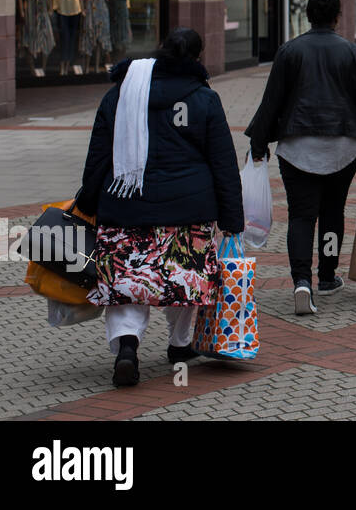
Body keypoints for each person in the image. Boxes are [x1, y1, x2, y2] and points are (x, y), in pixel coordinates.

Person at [75, 27, 244, 388]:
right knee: (183, 279)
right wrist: (232, 218)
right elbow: (223, 163)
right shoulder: (204, 99)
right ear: (196, 59)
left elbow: (99, 154)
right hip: (188, 211)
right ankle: (180, 346)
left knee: (127, 282)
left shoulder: (121, 94)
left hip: (125, 208)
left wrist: (88, 199)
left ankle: (127, 347)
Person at [246, 0, 356, 316]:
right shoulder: (353, 53)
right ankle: (327, 276)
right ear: (337, 17)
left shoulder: (289, 51)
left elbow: (272, 102)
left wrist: (258, 145)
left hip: (297, 147)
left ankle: (302, 282)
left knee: (301, 215)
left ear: (309, 15)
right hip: (343, 146)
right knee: (332, 211)